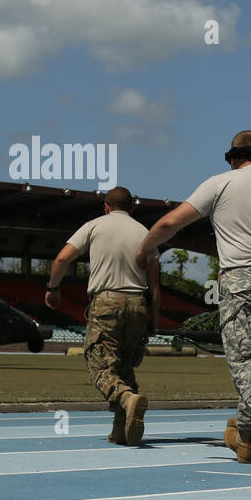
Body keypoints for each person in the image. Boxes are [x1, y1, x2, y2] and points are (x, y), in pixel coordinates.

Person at [137, 130, 251, 472]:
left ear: (233, 159)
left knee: (248, 364)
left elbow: (172, 221)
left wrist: (146, 248)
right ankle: (245, 439)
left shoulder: (220, 184)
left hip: (243, 279)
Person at [46, 186, 159, 446]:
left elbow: (62, 259)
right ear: (132, 208)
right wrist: (153, 319)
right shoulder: (145, 233)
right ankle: (121, 429)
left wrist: (53, 289)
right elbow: (154, 284)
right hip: (138, 302)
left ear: (106, 207)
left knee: (99, 365)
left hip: (107, 302)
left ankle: (126, 398)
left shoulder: (94, 226)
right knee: (124, 366)